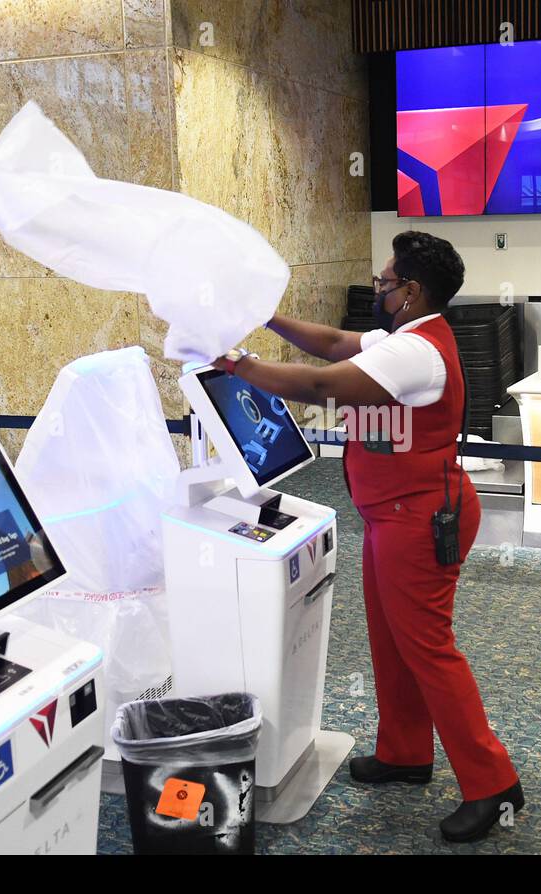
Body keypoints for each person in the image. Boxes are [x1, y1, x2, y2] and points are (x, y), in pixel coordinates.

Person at [213, 231, 522, 842]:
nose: (378, 289)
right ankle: (405, 752)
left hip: (422, 517)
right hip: (393, 515)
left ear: (411, 291)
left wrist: (235, 365)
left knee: (429, 647)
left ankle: (493, 783)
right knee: (391, 638)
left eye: (385, 282)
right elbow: (330, 342)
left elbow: (322, 384)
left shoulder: (416, 354)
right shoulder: (405, 338)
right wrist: (265, 317)